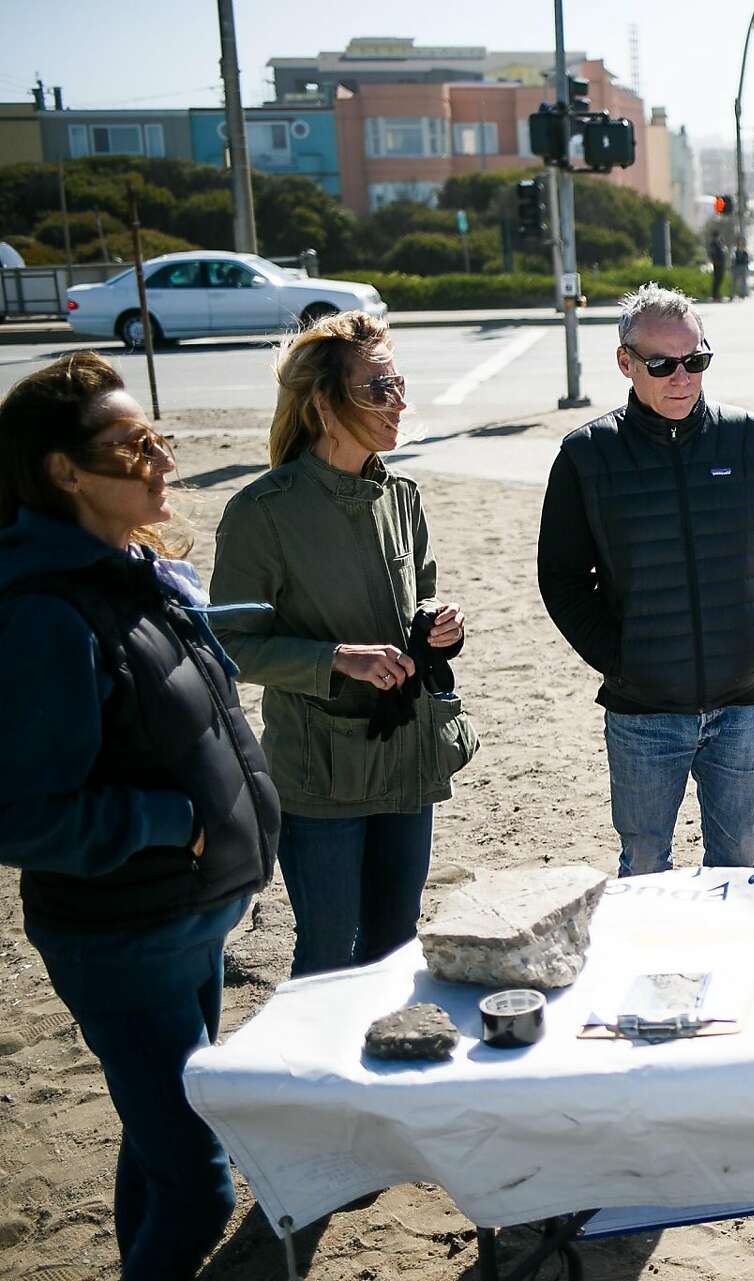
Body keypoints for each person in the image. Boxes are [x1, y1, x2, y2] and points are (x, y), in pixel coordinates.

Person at [0, 352, 279, 1279]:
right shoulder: (45, 612)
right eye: (134, 446)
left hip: (188, 916)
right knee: (202, 1187)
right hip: (122, 937)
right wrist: (175, 823)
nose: (162, 459)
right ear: (63, 471)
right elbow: (23, 816)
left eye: (159, 437)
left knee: (154, 1147)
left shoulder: (133, 570)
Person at [210, 311, 477, 978]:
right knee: (329, 955)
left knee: (394, 946)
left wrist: (440, 623)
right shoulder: (262, 513)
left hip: (407, 756)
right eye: (378, 388)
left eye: (398, 384)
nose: (399, 403)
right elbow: (228, 643)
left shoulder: (402, 495)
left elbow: (423, 595)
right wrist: (337, 659)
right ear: (325, 404)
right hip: (321, 777)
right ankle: (315, 1083)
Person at [539, 284, 754, 877]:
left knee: (736, 864)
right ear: (625, 363)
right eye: (662, 365)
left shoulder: (752, 439)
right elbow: (560, 578)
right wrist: (619, 656)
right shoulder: (587, 454)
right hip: (642, 713)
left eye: (696, 360)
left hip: (740, 704)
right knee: (643, 864)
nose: (681, 377)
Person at [709, 224, 729, 302]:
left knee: (719, 279)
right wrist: (715, 261)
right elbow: (713, 253)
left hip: (720, 263)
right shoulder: (714, 243)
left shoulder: (718, 243)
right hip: (718, 264)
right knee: (717, 279)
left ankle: (716, 295)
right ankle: (715, 296)